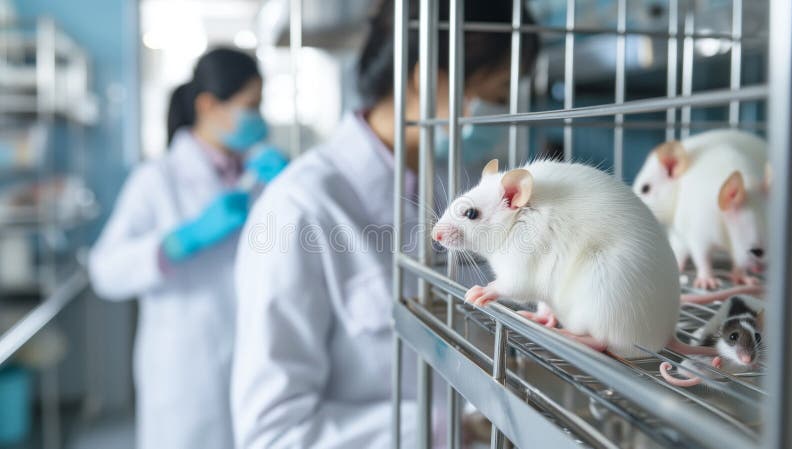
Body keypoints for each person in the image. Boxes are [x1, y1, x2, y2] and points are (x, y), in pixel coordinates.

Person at [231, 1, 539, 448]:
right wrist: (448, 428)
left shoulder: (461, 187)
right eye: (497, 93)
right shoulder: (301, 208)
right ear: (425, 79)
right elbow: (273, 431)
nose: (507, 111)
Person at [88, 48, 288, 449]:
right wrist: (176, 244)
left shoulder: (264, 175)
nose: (259, 117)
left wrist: (294, 184)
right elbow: (104, 270)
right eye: (251, 105)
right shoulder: (156, 179)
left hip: (257, 355)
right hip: (185, 369)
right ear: (209, 105)